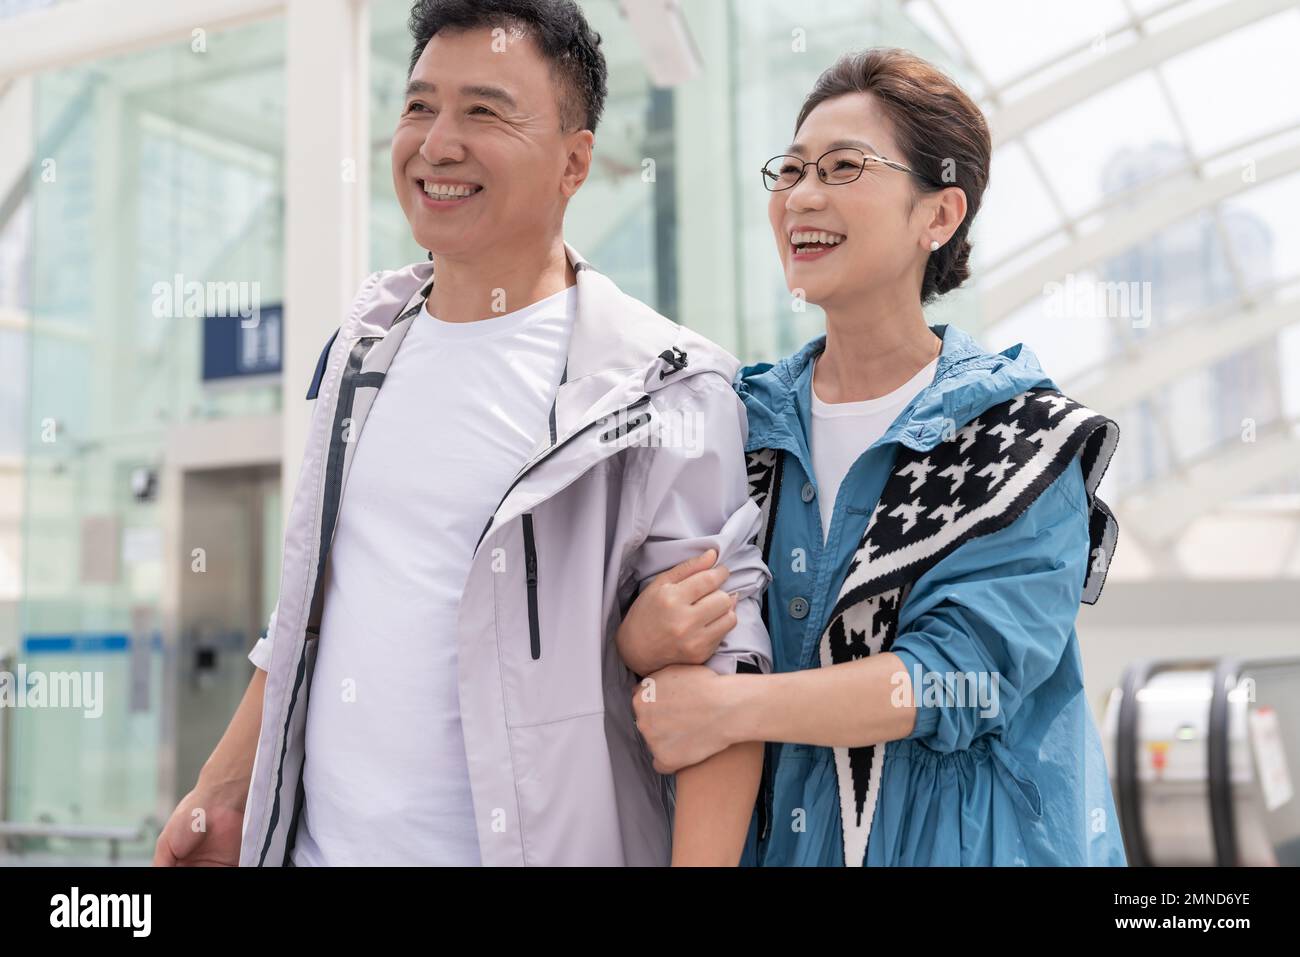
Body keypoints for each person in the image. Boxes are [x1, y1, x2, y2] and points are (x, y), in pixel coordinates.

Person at [154, 0, 771, 868]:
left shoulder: (662, 382)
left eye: (484, 110)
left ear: (574, 161)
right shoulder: (363, 352)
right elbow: (315, 605)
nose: (438, 142)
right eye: (419, 106)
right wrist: (220, 791)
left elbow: (721, 680)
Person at [619, 48, 1127, 867]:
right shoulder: (735, 421)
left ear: (940, 214)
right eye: (790, 170)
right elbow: (660, 628)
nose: (802, 196)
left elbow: (955, 677)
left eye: (844, 167)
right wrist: (638, 640)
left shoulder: (1021, 439)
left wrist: (731, 708)